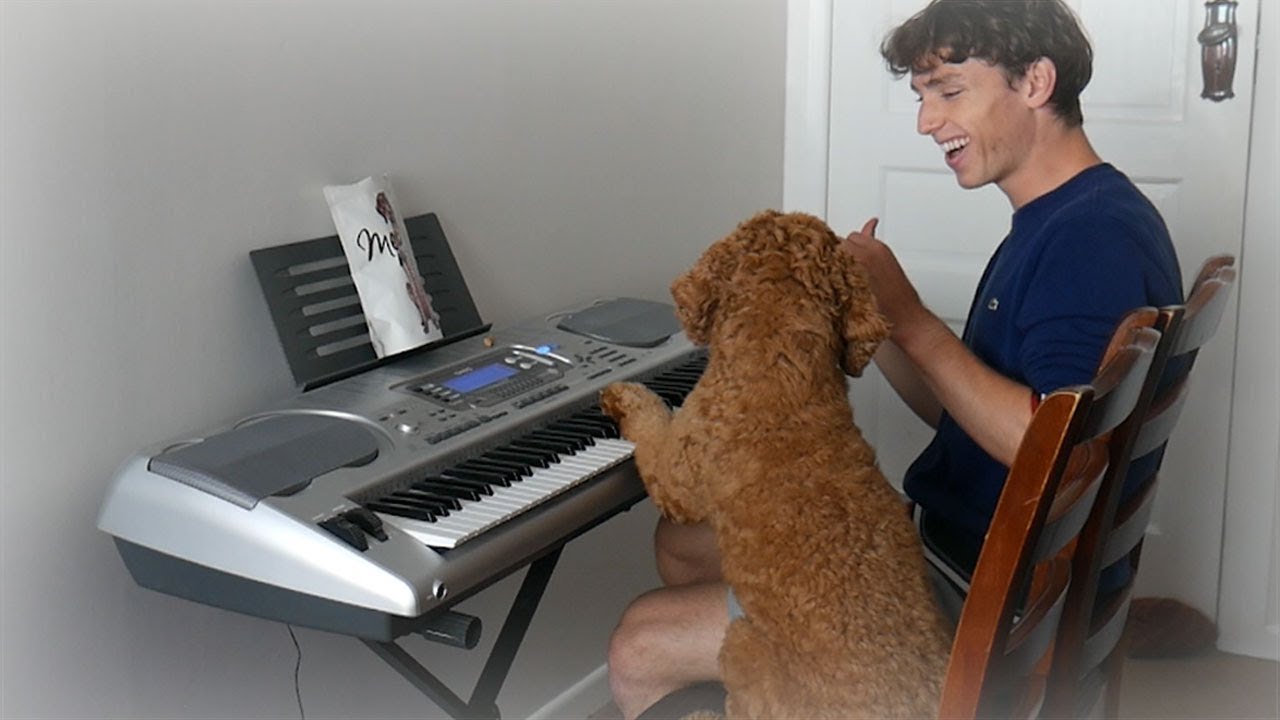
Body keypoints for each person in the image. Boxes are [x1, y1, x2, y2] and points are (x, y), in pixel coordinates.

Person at [606, 2, 1183, 717]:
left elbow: (1053, 453)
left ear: (1035, 81)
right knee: (686, 542)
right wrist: (872, 320)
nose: (926, 122)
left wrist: (911, 320)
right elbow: (968, 413)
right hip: (963, 546)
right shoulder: (1067, 216)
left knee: (639, 644)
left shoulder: (1090, 242)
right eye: (921, 97)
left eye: (949, 92)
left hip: (981, 594)